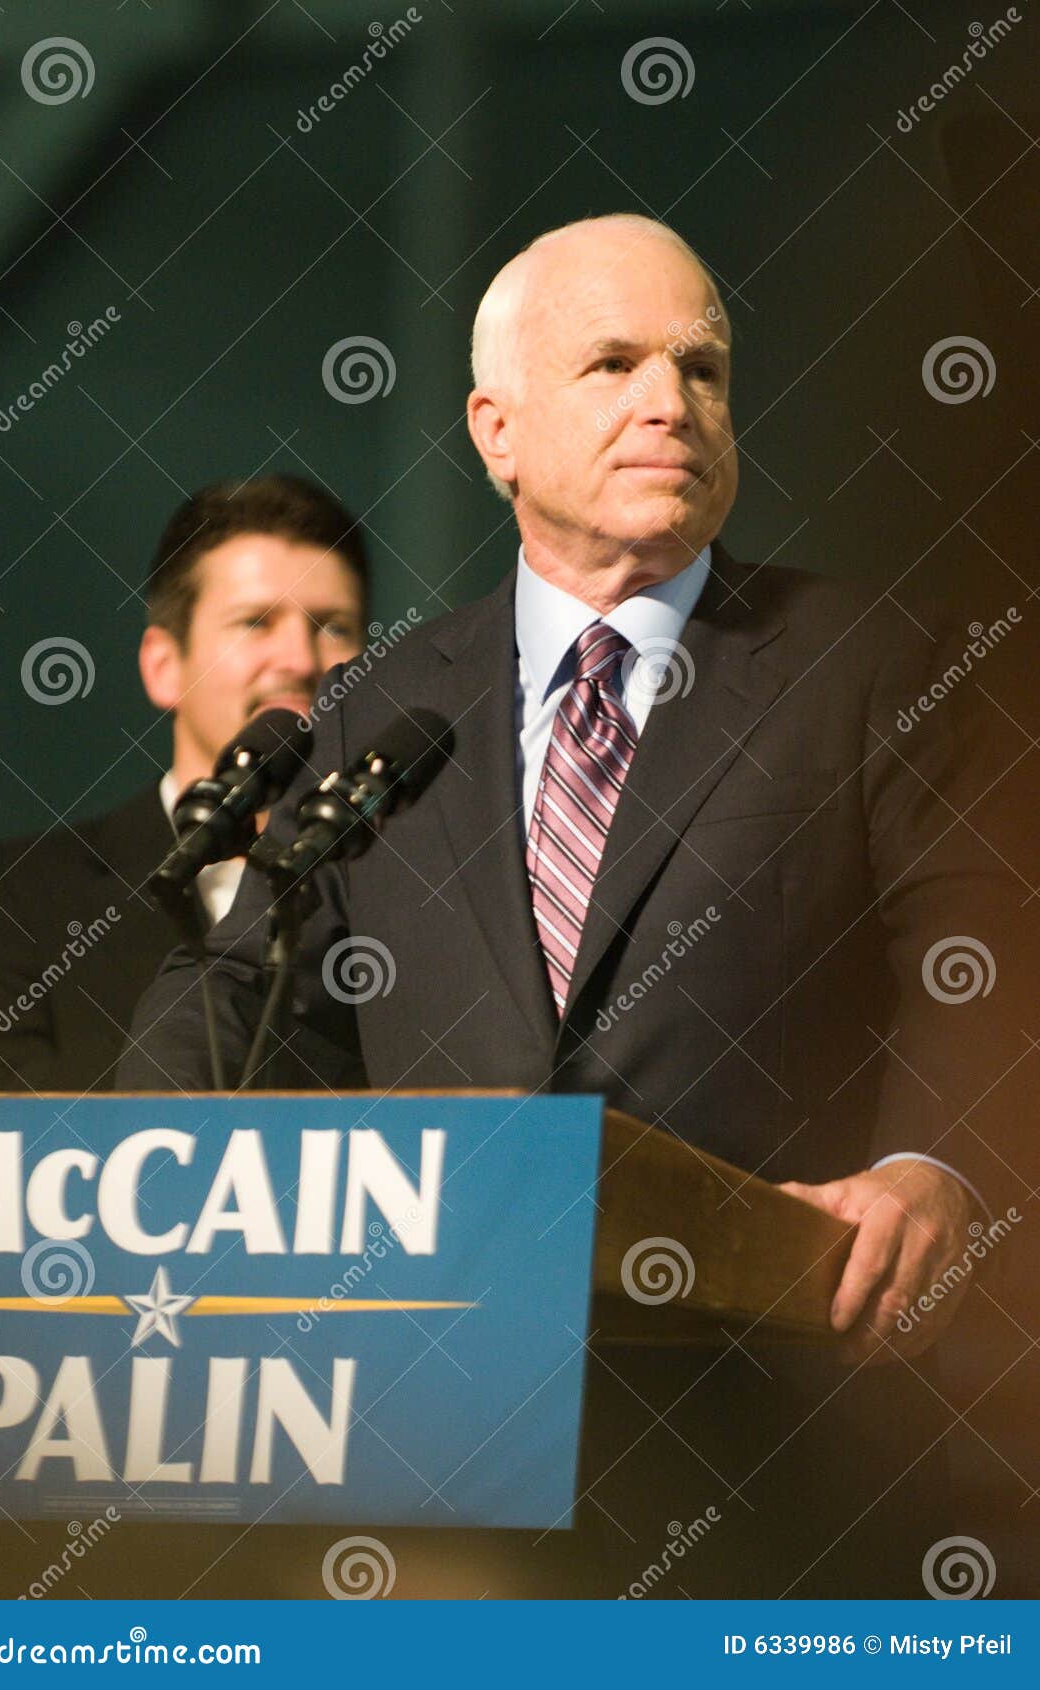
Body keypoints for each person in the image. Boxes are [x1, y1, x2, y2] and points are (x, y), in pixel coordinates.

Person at [117, 216, 1034, 1597]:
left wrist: (936, 1168)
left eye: (702, 369)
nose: (671, 401)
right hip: (439, 1449)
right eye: (613, 363)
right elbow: (241, 984)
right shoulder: (381, 706)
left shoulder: (874, 662)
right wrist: (141, 1166)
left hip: (778, 1456)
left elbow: (988, 961)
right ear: (495, 431)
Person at [0, 474, 367, 1094]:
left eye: (334, 627)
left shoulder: (406, 912)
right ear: (164, 667)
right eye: (256, 622)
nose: (300, 659)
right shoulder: (4, 907)